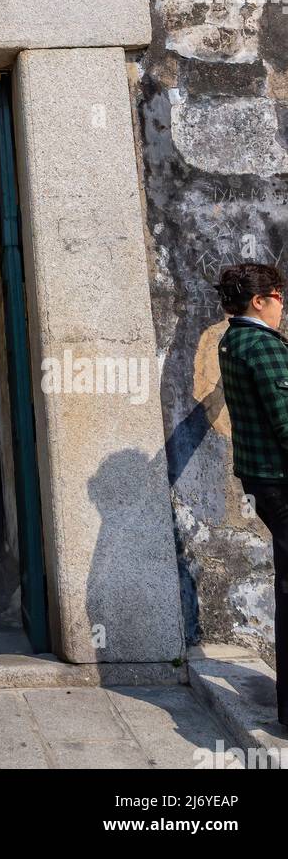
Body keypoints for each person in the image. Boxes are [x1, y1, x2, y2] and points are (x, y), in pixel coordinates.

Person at [215, 263, 288, 729]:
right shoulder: (262, 345)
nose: (283, 307)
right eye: (280, 297)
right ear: (260, 300)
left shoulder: (230, 340)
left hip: (263, 480)